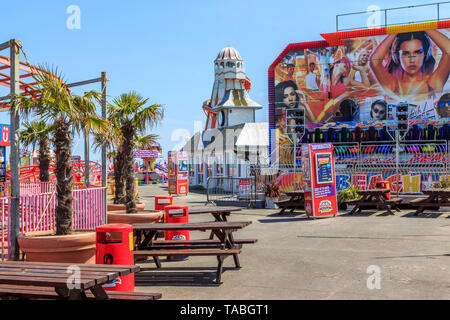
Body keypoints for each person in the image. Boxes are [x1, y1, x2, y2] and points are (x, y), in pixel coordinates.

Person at [370, 30, 450, 99]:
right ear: (397, 56)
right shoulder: (393, 85)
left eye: (418, 52)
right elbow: (374, 62)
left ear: (425, 53)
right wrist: (395, 31)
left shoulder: (432, 84)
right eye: (405, 53)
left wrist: (425, 27)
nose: (412, 60)